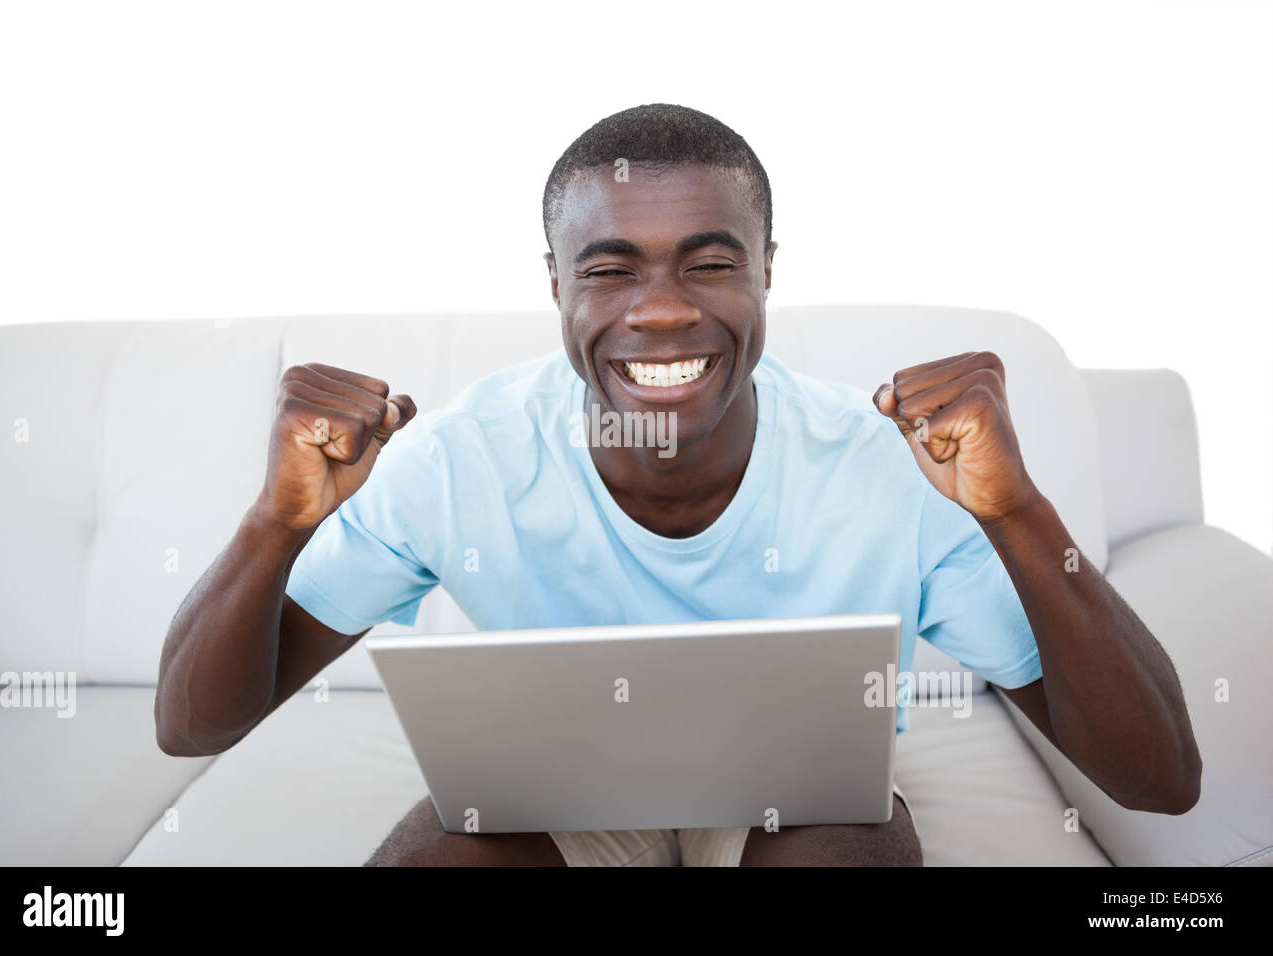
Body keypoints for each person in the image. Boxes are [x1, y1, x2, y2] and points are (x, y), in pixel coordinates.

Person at [155, 104, 1201, 866]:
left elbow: (1160, 777)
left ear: (765, 273)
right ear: (555, 284)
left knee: (850, 848)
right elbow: (193, 724)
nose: (659, 312)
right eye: (610, 269)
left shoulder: (893, 465)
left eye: (707, 263)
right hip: (554, 805)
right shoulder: (458, 454)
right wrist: (272, 523)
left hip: (800, 811)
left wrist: (1015, 509)